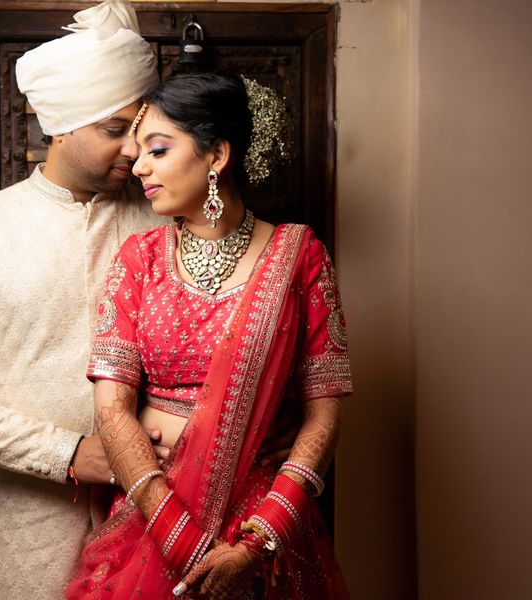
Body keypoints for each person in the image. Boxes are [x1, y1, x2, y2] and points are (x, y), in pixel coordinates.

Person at [0, 2, 166, 598]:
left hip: (164, 520)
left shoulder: (167, 221)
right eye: (115, 130)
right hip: (28, 534)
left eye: (143, 133)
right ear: (59, 125)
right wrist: (69, 453)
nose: (133, 152)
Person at [66, 73, 354, 599]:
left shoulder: (300, 256)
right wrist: (179, 537)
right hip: (154, 513)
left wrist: (258, 541)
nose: (139, 166)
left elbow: (325, 412)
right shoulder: (138, 260)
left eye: (157, 149)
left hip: (264, 524)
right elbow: (112, 409)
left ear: (216, 154)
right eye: (139, 152)